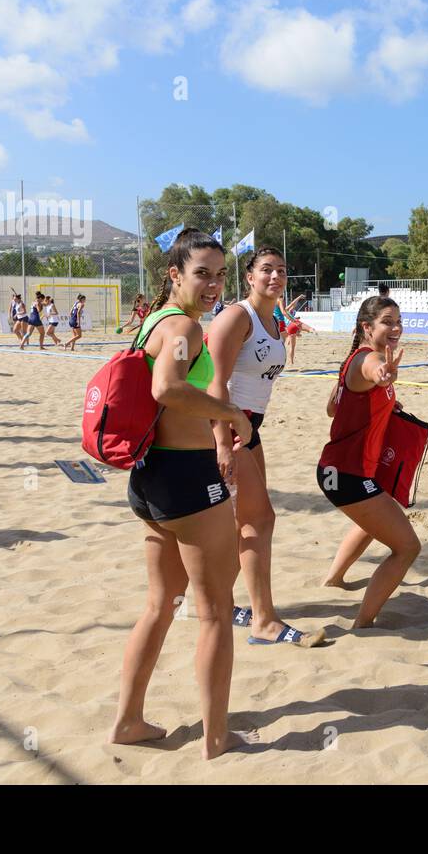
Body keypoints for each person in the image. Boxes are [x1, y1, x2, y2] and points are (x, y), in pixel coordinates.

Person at [111, 227, 257, 760]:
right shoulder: (183, 327)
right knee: (217, 611)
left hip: (150, 479)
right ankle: (217, 739)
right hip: (187, 479)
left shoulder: (154, 320)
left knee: (159, 606)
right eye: (203, 273)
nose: (215, 283)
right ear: (175, 275)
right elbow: (166, 388)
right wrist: (231, 413)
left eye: (221, 274)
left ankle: (128, 721)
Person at [207, 246, 324, 648]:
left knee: (245, 521)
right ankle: (263, 621)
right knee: (258, 520)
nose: (275, 276)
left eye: (281, 270)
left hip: (250, 428)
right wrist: (223, 440)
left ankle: (215, 600)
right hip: (227, 425)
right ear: (249, 278)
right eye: (266, 270)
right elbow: (214, 381)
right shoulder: (236, 317)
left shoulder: (273, 320)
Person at [317, 296, 421, 628]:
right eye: (388, 321)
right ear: (367, 327)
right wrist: (383, 376)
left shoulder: (352, 359)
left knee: (374, 518)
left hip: (339, 469)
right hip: (348, 474)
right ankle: (362, 623)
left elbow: (333, 408)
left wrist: (385, 399)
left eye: (398, 321)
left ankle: (333, 579)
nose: (396, 328)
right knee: (407, 548)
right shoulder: (370, 361)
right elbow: (375, 371)